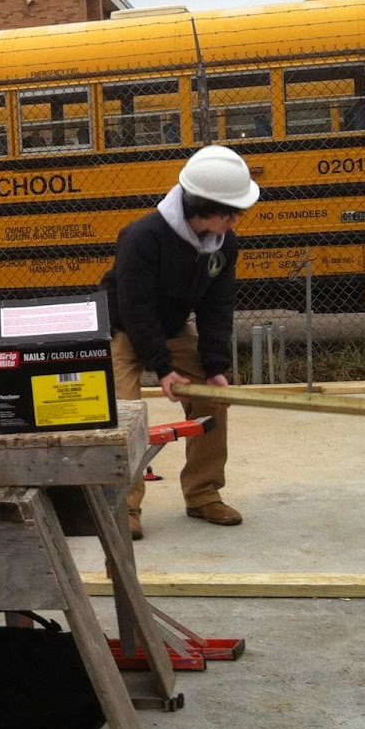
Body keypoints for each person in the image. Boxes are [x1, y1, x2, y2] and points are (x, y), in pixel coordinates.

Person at [99, 144, 260, 540]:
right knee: (124, 410)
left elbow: (217, 307)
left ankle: (203, 493)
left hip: (171, 330)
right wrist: (163, 368)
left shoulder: (223, 244)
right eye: (232, 213)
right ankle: (124, 506)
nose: (236, 222)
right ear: (205, 208)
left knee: (212, 397)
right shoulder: (142, 236)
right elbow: (135, 308)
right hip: (124, 329)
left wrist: (216, 367)